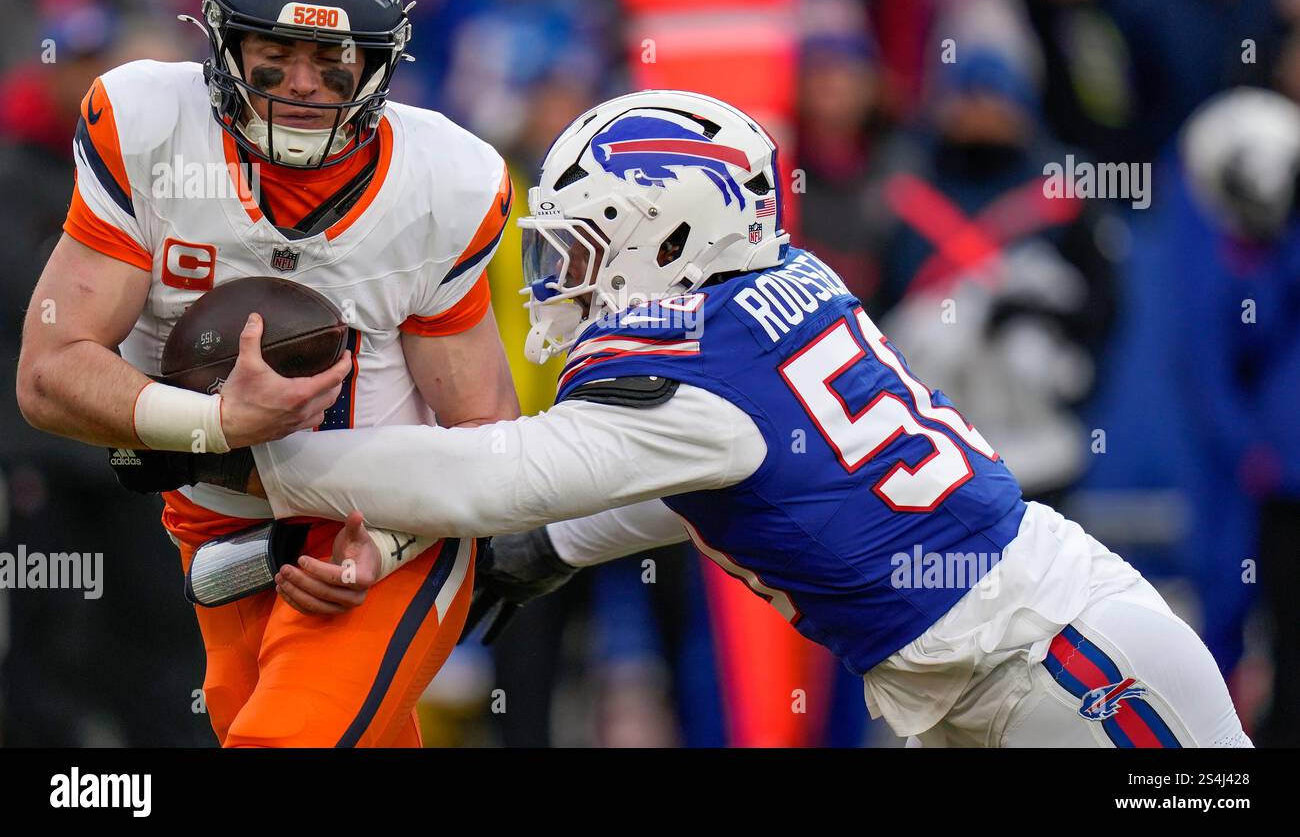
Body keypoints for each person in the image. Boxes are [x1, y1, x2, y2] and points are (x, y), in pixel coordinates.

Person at [142, 89, 1249, 747]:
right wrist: (551, 546)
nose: (562, 277)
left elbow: (500, 474)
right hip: (1000, 658)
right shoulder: (774, 296)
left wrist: (268, 453)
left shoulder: (689, 375)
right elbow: (719, 481)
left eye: (579, 245)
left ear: (665, 234)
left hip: (1055, 665)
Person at [17, 0, 521, 747]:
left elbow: (486, 434)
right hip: (218, 530)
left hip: (378, 527)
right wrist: (216, 424)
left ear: (376, 64)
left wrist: (387, 543)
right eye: (274, 54)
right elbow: (47, 371)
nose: (301, 84)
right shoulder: (149, 128)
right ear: (223, 46)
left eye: (331, 61)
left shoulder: (446, 181)